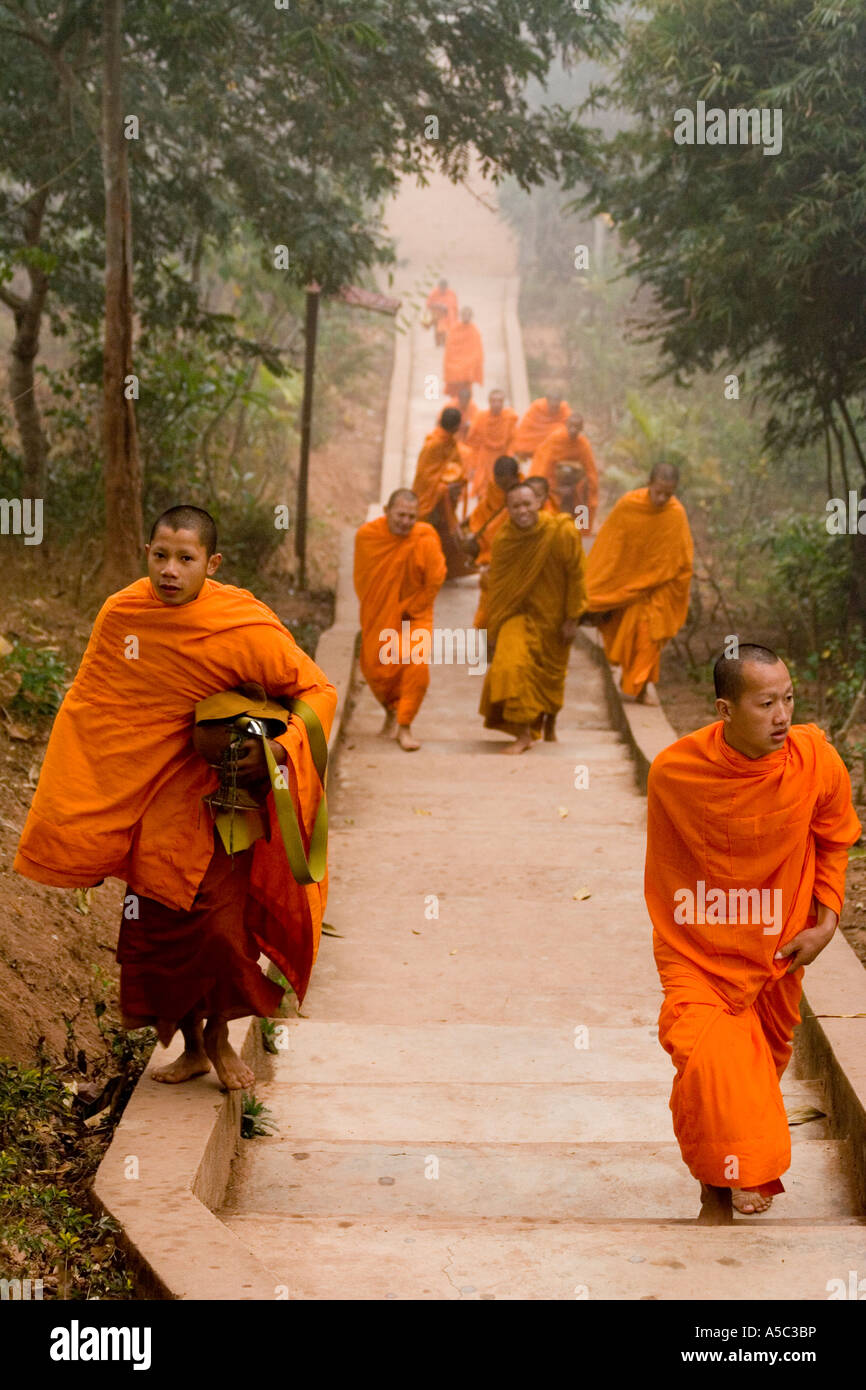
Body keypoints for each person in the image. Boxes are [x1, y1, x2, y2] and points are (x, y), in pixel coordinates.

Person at [14, 505, 336, 1090]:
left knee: (218, 929)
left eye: (185, 559)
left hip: (220, 799)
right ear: (147, 554)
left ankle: (218, 1035)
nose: (169, 570)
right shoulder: (124, 614)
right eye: (160, 555)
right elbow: (93, 708)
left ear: (210, 564)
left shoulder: (238, 625)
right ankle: (190, 1044)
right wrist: (87, 807)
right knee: (162, 925)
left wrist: (283, 747)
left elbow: (317, 689)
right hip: (153, 802)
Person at [646, 644, 861, 1223]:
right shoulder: (676, 772)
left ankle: (737, 1164)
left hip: (776, 952)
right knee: (708, 1064)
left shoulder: (816, 761)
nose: (783, 716)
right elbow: (670, 869)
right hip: (697, 948)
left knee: (752, 1071)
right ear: (724, 708)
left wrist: (827, 923)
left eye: (788, 698)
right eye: (765, 702)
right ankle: (714, 1191)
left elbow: (834, 839)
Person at [477, 482, 586, 754]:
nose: (522, 510)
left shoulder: (561, 531)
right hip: (516, 617)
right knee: (510, 667)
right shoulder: (504, 540)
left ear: (539, 502)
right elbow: (498, 590)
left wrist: (573, 618)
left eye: (527, 504)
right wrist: (492, 631)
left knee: (551, 675)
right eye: (515, 506)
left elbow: (577, 576)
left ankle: (549, 724)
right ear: (508, 509)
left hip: (554, 618)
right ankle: (523, 733)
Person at [583, 462, 693, 704]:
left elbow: (683, 561)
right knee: (626, 635)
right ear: (649, 484)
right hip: (627, 587)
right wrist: (603, 584)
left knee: (648, 637)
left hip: (659, 591)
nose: (663, 498)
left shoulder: (676, 514)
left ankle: (641, 685)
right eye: (659, 492)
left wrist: (666, 583)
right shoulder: (628, 506)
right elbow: (610, 548)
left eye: (669, 493)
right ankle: (636, 681)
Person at [353, 489, 446, 753]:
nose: (406, 522)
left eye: (411, 517)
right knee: (376, 667)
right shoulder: (368, 536)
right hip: (380, 612)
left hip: (416, 613)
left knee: (416, 665)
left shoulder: (425, 537)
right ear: (386, 510)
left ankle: (405, 725)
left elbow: (436, 578)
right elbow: (364, 580)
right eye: (401, 515)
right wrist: (381, 607)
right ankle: (391, 711)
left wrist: (412, 606)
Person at [411, 407, 470, 579]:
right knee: (428, 535)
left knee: (444, 535)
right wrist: (444, 488)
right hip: (432, 502)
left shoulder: (449, 442)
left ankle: (443, 570)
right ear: (456, 427)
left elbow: (454, 466)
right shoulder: (434, 444)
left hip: (443, 501)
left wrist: (458, 480)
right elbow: (424, 476)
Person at [533, 413, 599, 535]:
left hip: (576, 489)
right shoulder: (555, 439)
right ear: (566, 425)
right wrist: (555, 488)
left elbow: (590, 471)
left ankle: (581, 533)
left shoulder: (583, 445)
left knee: (583, 502)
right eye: (571, 426)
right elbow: (545, 467)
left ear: (581, 429)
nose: (573, 430)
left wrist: (579, 488)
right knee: (554, 518)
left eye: (577, 427)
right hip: (555, 487)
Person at [464, 389, 519, 499]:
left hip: (502, 457)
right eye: (494, 401)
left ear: (503, 402)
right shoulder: (480, 417)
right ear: (489, 402)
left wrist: (510, 457)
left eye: (499, 401)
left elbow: (513, 440)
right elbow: (472, 442)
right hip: (485, 458)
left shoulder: (509, 417)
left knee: (502, 489)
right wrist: (472, 465)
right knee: (483, 490)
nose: (496, 404)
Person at [512, 393, 571, 461]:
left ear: (560, 402)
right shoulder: (537, 406)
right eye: (552, 406)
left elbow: (568, 426)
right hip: (536, 440)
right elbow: (526, 426)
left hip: (555, 446)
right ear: (547, 401)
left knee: (559, 432)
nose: (554, 409)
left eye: (556, 407)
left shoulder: (564, 409)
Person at [443, 306, 484, 396]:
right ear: (461, 316)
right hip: (455, 363)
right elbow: (450, 347)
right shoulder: (454, 329)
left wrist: (472, 361)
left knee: (466, 386)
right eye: (464, 315)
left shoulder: (474, 331)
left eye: (468, 315)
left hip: (468, 364)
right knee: (455, 385)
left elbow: (477, 350)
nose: (466, 317)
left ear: (471, 316)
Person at [425, 278, 459, 347]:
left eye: (444, 288)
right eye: (441, 288)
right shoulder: (434, 293)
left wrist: (449, 309)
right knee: (437, 330)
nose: (443, 289)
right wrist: (438, 305)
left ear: (446, 287)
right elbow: (428, 304)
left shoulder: (451, 293)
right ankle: (438, 344)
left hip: (448, 316)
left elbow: (455, 306)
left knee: (446, 330)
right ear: (439, 286)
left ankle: (444, 343)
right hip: (436, 315)